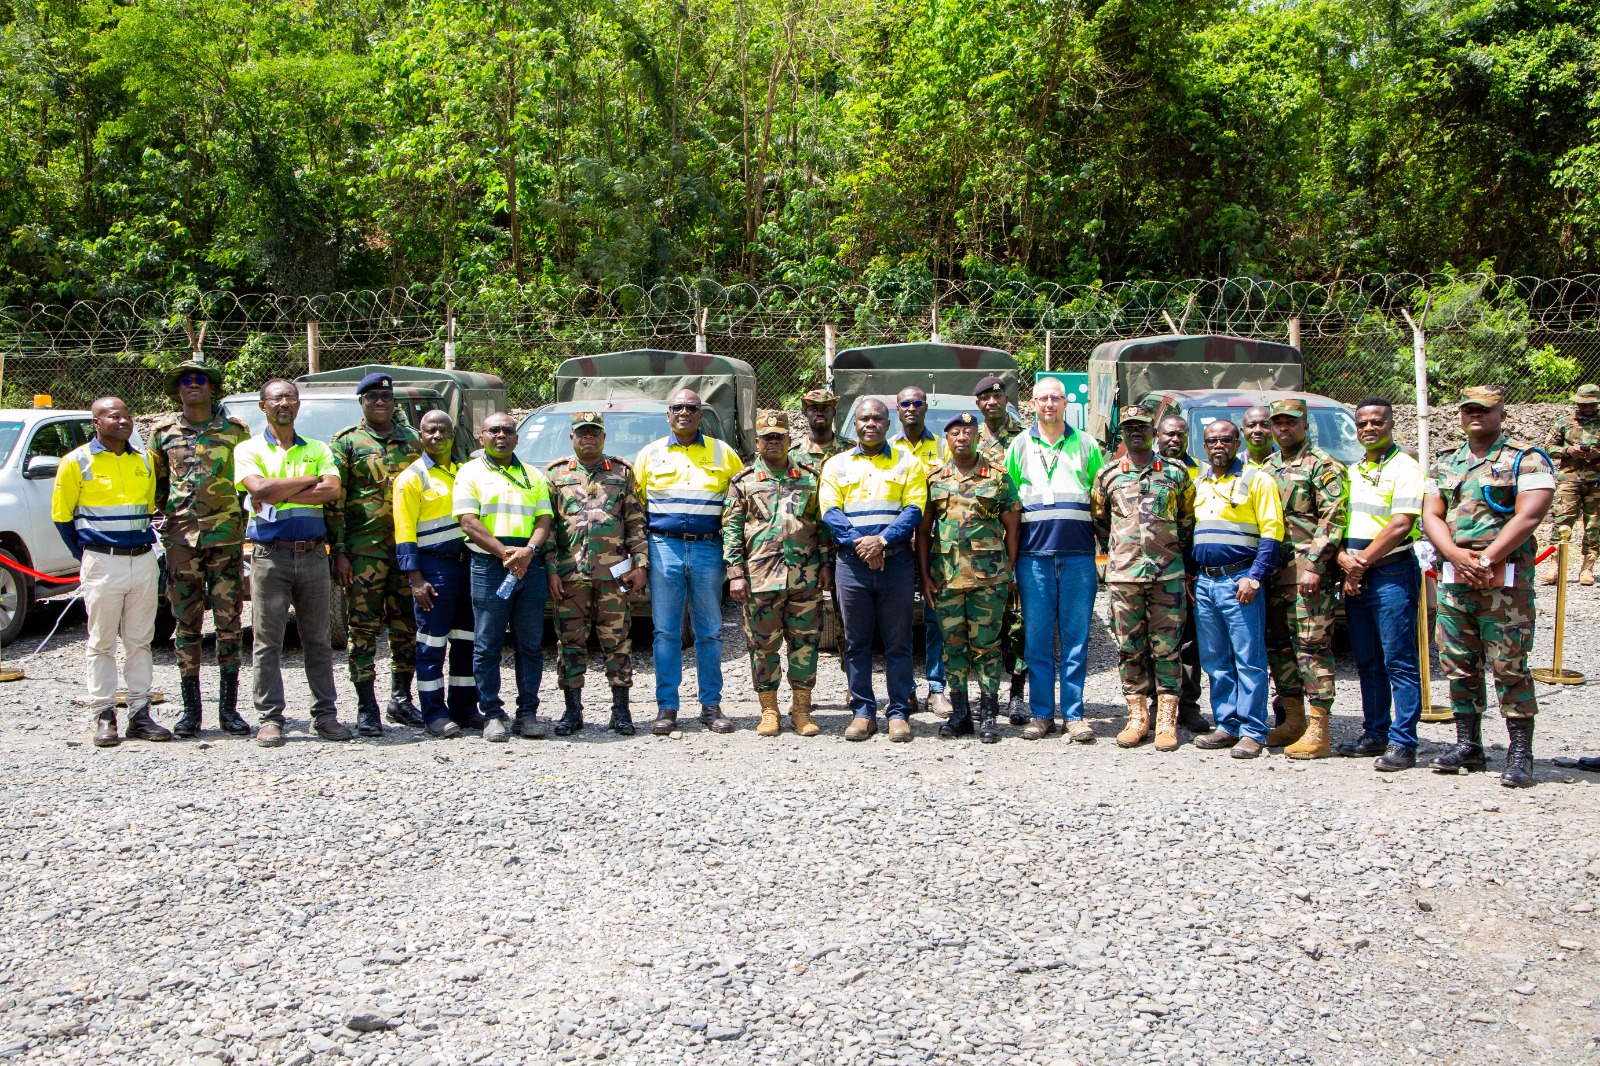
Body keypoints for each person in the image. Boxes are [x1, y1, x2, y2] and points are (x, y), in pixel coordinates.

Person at [1423, 385, 1555, 788]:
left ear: (1501, 412)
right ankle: (1469, 745)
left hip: (1505, 580)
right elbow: (1431, 513)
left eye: (1484, 409)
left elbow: (1531, 513)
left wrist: (1486, 558)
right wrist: (1455, 555)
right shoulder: (1447, 461)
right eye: (1468, 410)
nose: (1475, 415)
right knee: (1458, 662)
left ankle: (1519, 753)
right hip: (1455, 574)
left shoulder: (1524, 458)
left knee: (1509, 663)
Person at [233, 379, 346, 746]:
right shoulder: (248, 449)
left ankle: (325, 715)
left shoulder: (318, 447)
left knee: (318, 638)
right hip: (269, 555)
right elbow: (259, 490)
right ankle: (270, 717)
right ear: (263, 406)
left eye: (291, 398)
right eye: (276, 398)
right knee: (267, 640)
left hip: (313, 554)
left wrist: (279, 487)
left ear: (298, 406)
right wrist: (309, 478)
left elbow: (332, 490)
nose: (284, 403)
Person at [52, 396, 168, 747]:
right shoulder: (76, 462)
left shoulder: (145, 461)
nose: (122, 421)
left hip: (142, 559)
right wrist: (89, 554)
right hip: (102, 561)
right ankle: (104, 714)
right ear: (96, 423)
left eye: (127, 415)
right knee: (101, 642)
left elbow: (149, 509)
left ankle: (140, 714)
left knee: (140, 641)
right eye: (112, 416)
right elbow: (62, 517)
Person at [147, 360, 251, 738]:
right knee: (186, 623)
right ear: (178, 390)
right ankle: (191, 712)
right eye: (186, 381)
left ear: (212, 388)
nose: (193, 385)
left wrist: (228, 517)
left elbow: (244, 482)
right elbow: (158, 485)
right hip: (181, 541)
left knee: (229, 623)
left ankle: (229, 710)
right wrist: (176, 518)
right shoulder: (163, 434)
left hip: (224, 540)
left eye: (200, 380)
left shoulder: (235, 433)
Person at [634, 389, 745, 735]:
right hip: (662, 547)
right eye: (677, 407)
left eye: (691, 408)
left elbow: (740, 499)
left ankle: (711, 706)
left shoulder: (723, 453)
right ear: (667, 415)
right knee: (665, 631)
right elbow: (636, 508)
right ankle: (667, 708)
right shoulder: (649, 455)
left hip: (707, 549)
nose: (684, 412)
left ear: (701, 415)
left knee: (709, 632)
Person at [821, 398, 927, 741]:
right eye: (864, 418)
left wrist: (881, 542)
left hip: (895, 562)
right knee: (856, 641)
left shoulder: (907, 461)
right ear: (855, 424)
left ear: (888, 422)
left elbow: (914, 508)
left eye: (877, 418)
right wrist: (862, 545)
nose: (870, 423)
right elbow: (830, 512)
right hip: (852, 566)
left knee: (899, 641)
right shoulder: (836, 465)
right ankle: (863, 711)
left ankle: (898, 712)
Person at [1005, 376, 1104, 741]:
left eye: (1055, 398)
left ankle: (1074, 716)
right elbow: (1010, 503)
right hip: (1034, 557)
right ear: (1033, 403)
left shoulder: (1086, 444)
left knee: (1076, 638)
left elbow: (1101, 495)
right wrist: (1011, 560)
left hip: (1078, 555)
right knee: (1038, 640)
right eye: (1043, 398)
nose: (1049, 404)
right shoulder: (1019, 445)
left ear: (1065, 404)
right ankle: (1042, 714)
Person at [1091, 406, 1195, 751]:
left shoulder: (1176, 473)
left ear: (1153, 431)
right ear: (1121, 433)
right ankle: (1137, 718)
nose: (1136, 432)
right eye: (1129, 428)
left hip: (1168, 574)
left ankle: (1166, 720)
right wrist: (1116, 558)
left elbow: (1186, 520)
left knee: (1167, 649)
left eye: (1142, 427)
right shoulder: (1108, 475)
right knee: (1129, 648)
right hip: (1124, 576)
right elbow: (1101, 522)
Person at [327, 373, 425, 736]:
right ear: (362, 403)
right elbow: (334, 502)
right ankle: (366, 705)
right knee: (363, 629)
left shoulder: (414, 441)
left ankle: (401, 698)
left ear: (393, 401)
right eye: (372, 397)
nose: (380, 402)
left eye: (385, 396)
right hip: (363, 553)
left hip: (406, 552)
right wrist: (338, 551)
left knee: (406, 627)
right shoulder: (346, 443)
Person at [724, 411, 832, 737]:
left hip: (805, 578)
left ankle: (801, 709)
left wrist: (826, 565)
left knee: (805, 644)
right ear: (757, 442)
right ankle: (769, 709)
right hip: (759, 579)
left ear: (789, 440)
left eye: (779, 436)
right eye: (767, 437)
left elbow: (823, 526)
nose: (773, 441)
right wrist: (735, 574)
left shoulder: (810, 478)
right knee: (762, 646)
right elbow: (731, 529)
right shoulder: (743, 482)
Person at [917, 412, 1020, 742]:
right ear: (946, 439)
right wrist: (925, 576)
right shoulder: (934, 478)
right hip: (945, 579)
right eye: (955, 432)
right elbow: (923, 533)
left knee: (987, 649)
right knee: (953, 648)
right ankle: (960, 714)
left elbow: (1013, 528)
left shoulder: (998, 477)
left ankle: (989, 715)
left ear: (978, 437)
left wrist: (1007, 571)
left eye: (968, 431)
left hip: (988, 581)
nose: (962, 437)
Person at [546, 411, 649, 736]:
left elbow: (635, 521)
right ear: (572, 438)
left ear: (603, 437)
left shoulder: (621, 472)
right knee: (570, 643)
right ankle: (572, 711)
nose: (588, 437)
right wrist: (550, 569)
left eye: (594, 432)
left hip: (613, 578)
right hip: (570, 576)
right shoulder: (555, 474)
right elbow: (547, 528)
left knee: (617, 643)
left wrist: (641, 564)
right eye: (582, 433)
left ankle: (621, 712)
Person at [1336, 397, 1425, 770]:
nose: (1369, 429)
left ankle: (1403, 742)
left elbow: (1402, 523)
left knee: (1399, 661)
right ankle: (1375, 733)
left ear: (1390, 424)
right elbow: (1337, 519)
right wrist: (1343, 558)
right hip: (1356, 574)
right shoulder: (1352, 470)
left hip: (1391, 573)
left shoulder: (1406, 467)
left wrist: (1360, 564)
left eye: (1376, 422)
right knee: (1367, 660)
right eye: (1362, 424)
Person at [455, 413, 555, 743]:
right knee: (488, 645)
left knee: (530, 645)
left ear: (517, 437)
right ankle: (492, 714)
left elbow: (543, 519)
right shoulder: (469, 473)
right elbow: (468, 521)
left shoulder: (532, 474)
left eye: (508, 430)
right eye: (493, 430)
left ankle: (527, 714)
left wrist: (527, 551)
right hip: (489, 567)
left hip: (530, 567)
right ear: (481, 437)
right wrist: (505, 554)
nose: (501, 435)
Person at [1189, 418, 1283, 758]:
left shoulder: (1257, 480)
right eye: (1212, 440)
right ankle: (1226, 724)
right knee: (1215, 660)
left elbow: (1273, 532)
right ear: (1204, 444)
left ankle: (1253, 729)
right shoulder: (1200, 482)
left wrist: (1255, 575)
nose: (1218, 446)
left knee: (1249, 659)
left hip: (1239, 580)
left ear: (1237, 441)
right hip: (1206, 581)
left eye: (1225, 440)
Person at [1262, 398, 1348, 759]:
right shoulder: (1266, 466)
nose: (1284, 428)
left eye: (1290, 422)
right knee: (1279, 648)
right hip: (1273, 574)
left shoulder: (1324, 466)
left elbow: (1334, 518)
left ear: (1305, 424)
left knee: (1312, 649)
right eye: (1277, 422)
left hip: (1307, 577)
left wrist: (1314, 564)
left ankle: (1319, 728)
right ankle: (1293, 718)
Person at [393, 410, 477, 739]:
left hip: (465, 567)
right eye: (430, 431)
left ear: (453, 434)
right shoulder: (411, 478)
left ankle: (465, 708)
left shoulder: (463, 473)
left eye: (443, 430)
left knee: (466, 642)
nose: (437, 436)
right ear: (420, 435)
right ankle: (434, 713)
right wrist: (415, 579)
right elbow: (404, 532)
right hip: (433, 570)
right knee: (431, 645)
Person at [893, 385, 951, 717]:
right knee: (898, 620)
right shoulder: (887, 449)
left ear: (925, 408)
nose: (911, 408)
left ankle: (937, 689)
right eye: (905, 403)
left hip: (935, 544)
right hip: (899, 546)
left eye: (917, 403)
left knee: (935, 618)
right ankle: (906, 690)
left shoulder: (942, 447)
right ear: (897, 410)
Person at [975, 374, 1029, 723]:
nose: (992, 402)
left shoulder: (1024, 438)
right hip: (980, 546)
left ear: (1006, 399)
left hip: (1022, 537)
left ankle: (1018, 695)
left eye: (997, 397)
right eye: (985, 398)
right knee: (986, 624)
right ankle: (987, 696)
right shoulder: (968, 439)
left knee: (1018, 623)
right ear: (977, 404)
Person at [1157, 413, 1209, 735]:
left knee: (1190, 642)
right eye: (1168, 434)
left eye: (1180, 434)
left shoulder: (1200, 471)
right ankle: (1157, 705)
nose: (1174, 440)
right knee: (1156, 640)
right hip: (1155, 568)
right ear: (1156, 436)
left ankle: (1188, 706)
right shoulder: (1144, 468)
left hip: (1191, 566)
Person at [1543, 383, 1600, 586]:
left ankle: (1587, 568)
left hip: (1596, 483)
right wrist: (1568, 451)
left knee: (1594, 525)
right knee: (1562, 521)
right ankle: (1555, 567)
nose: (1586, 409)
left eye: (1590, 405)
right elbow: (1548, 447)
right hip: (1569, 479)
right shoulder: (1565, 423)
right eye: (1583, 405)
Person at [791, 388, 849, 466]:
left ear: (834, 413)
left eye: (825, 409)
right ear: (805, 413)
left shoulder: (850, 449)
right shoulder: (792, 455)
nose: (819, 413)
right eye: (814, 409)